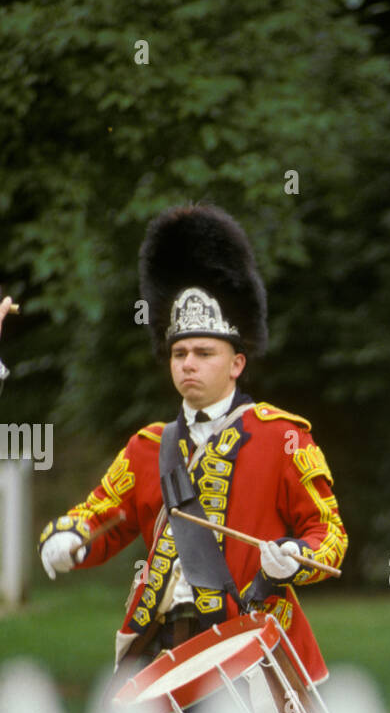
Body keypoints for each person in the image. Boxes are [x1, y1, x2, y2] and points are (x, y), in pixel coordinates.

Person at [34, 203, 347, 683]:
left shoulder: (281, 437)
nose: (188, 364)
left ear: (237, 363)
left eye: (204, 353)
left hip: (250, 643)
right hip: (160, 645)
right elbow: (103, 518)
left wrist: (292, 558)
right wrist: (68, 536)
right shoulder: (147, 447)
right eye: (179, 353)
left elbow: (329, 535)